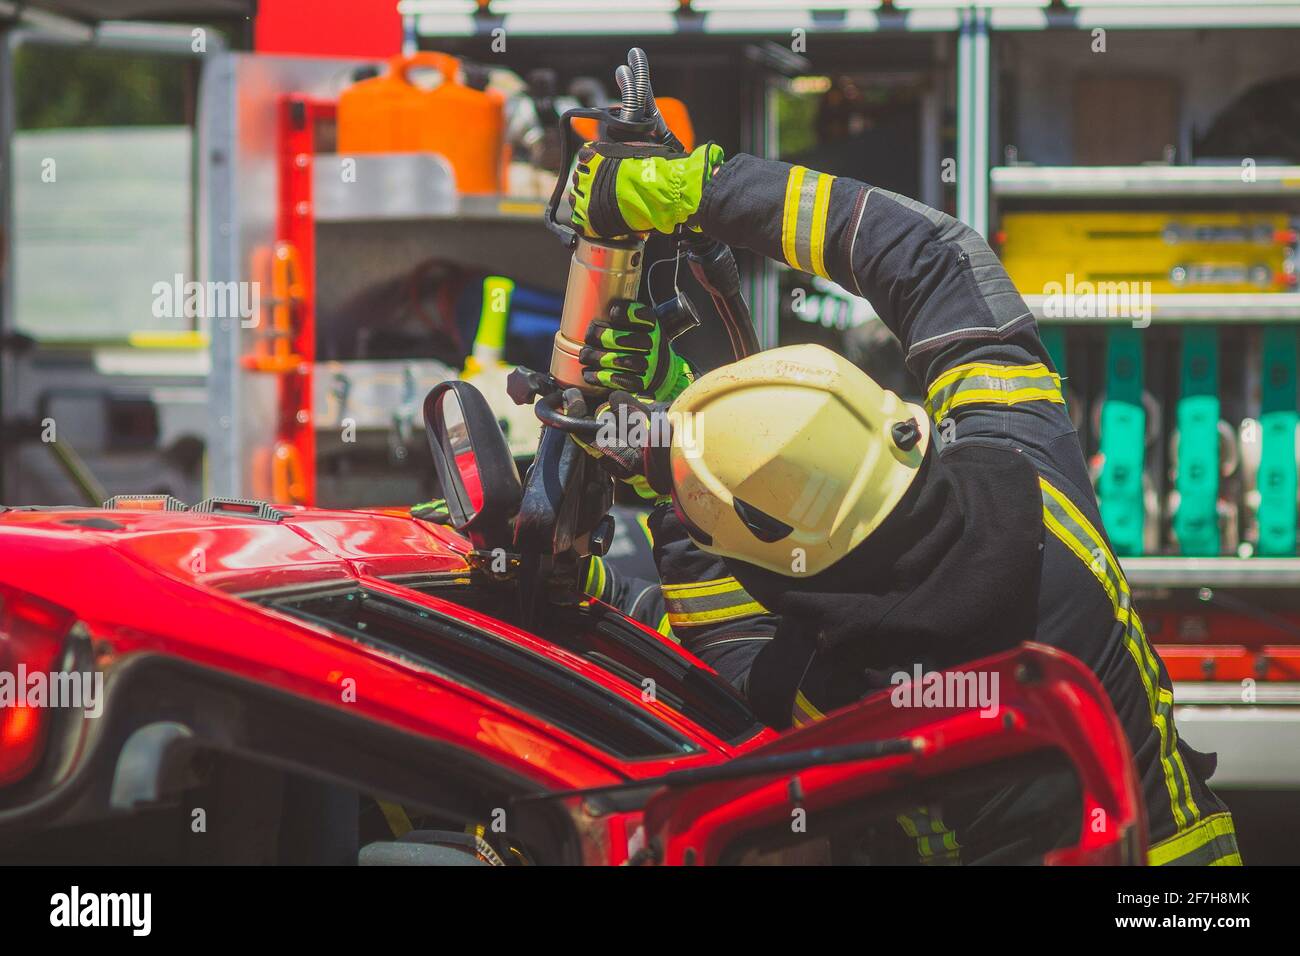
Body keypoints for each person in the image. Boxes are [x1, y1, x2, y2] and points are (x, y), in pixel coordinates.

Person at [566, 141, 1241, 866]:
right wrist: (707, 189)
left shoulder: (828, 693)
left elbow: (720, 652)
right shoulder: (1037, 485)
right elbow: (934, 257)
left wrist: (665, 481)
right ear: (899, 436)